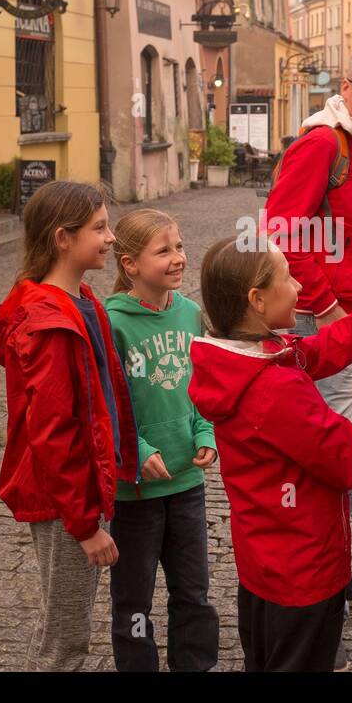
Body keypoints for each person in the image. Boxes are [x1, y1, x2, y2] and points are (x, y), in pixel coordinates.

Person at [189, 236, 352, 671]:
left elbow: (329, 347)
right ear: (257, 299)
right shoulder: (274, 387)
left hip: (265, 568)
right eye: (287, 277)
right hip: (304, 577)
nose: (299, 287)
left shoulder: (248, 358)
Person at [263, 44, 352, 668]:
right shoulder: (323, 144)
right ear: (344, 88)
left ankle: (335, 575)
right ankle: (313, 592)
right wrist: (324, 308)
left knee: (349, 457)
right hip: (333, 327)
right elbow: (280, 230)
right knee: (323, 461)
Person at [0, 182, 139, 671]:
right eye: (99, 228)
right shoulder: (48, 321)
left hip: (85, 490)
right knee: (67, 637)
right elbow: (54, 434)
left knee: (61, 620)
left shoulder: (83, 299)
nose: (111, 238)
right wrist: (85, 524)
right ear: (62, 239)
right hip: (67, 500)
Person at [104, 209, 219, 672]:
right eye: (164, 250)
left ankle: (194, 665)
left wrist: (205, 431)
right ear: (130, 265)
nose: (178, 258)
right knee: (133, 597)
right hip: (135, 491)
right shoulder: (112, 322)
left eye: (180, 247)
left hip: (187, 481)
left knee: (193, 590)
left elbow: (201, 387)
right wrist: (138, 452)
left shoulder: (191, 315)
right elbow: (108, 402)